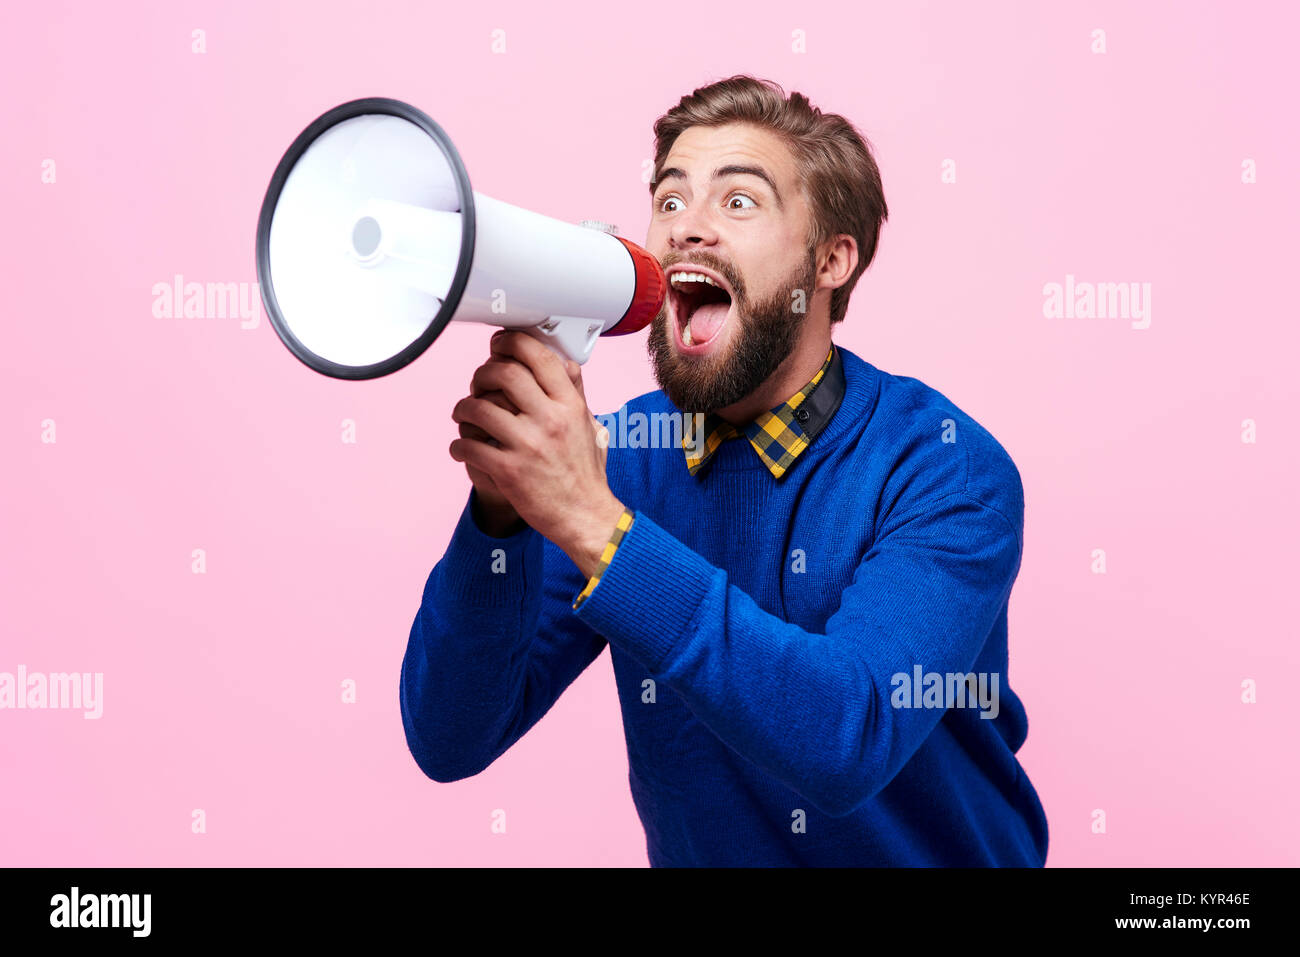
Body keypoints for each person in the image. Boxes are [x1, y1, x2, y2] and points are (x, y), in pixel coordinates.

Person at [400, 74, 1049, 866]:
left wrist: (588, 520)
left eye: (738, 202)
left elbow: (851, 733)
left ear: (829, 260)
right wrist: (499, 515)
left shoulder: (945, 469)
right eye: (669, 201)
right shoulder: (621, 461)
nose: (687, 230)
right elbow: (452, 735)